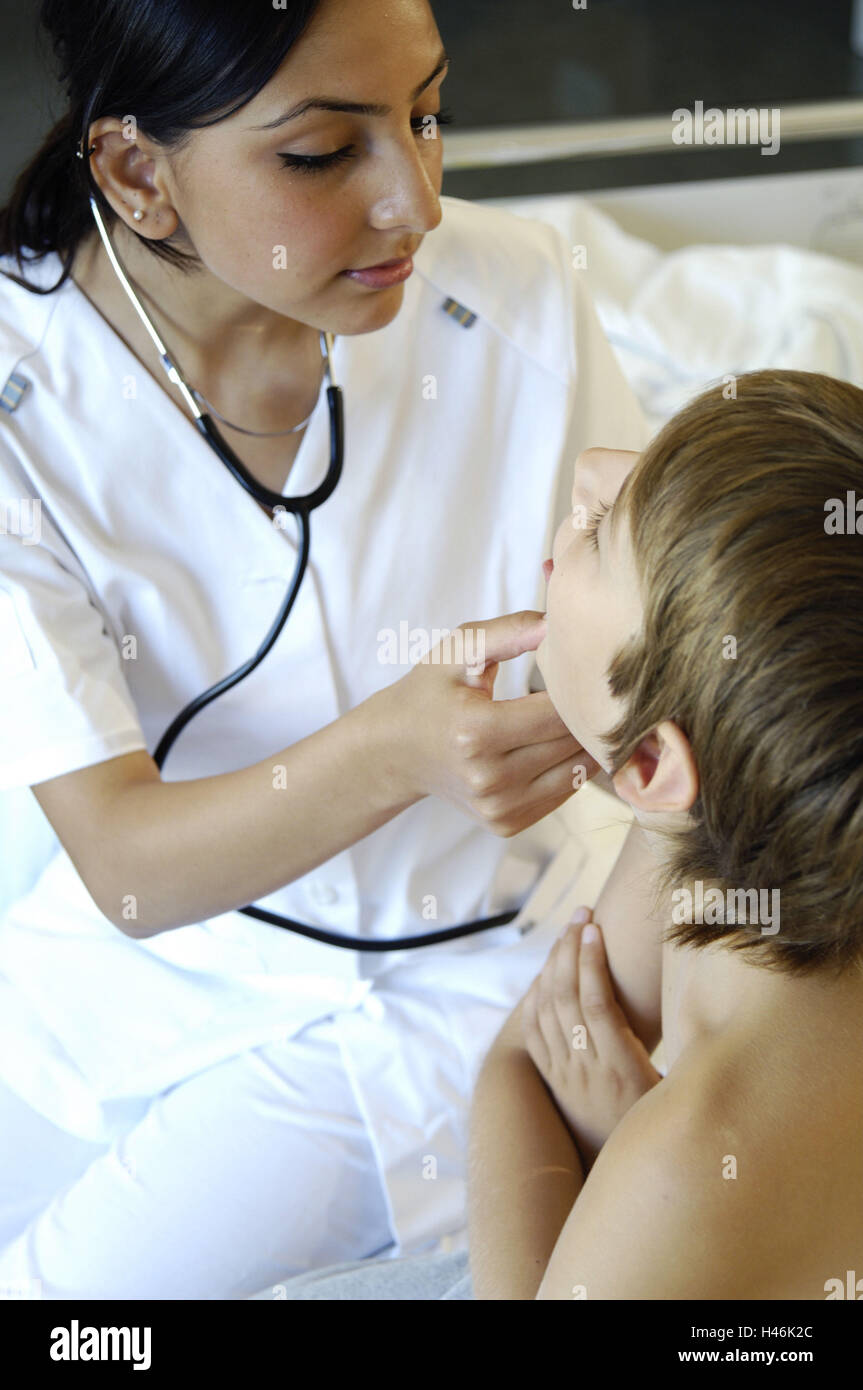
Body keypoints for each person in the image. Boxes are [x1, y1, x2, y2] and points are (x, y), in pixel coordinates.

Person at [0, 0, 649, 1299]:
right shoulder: (27, 400)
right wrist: (395, 749)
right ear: (136, 172)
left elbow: (667, 637)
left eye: (426, 116)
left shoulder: (509, 294)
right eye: (319, 154)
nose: (413, 204)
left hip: (505, 948)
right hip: (164, 969)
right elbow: (125, 866)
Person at [273, 368, 863, 1300]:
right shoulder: (728, 835)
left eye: (602, 529)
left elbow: (531, 1073)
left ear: (646, 768)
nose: (590, 470)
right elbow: (522, 1062)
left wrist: (618, 1150)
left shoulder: (683, 1166)